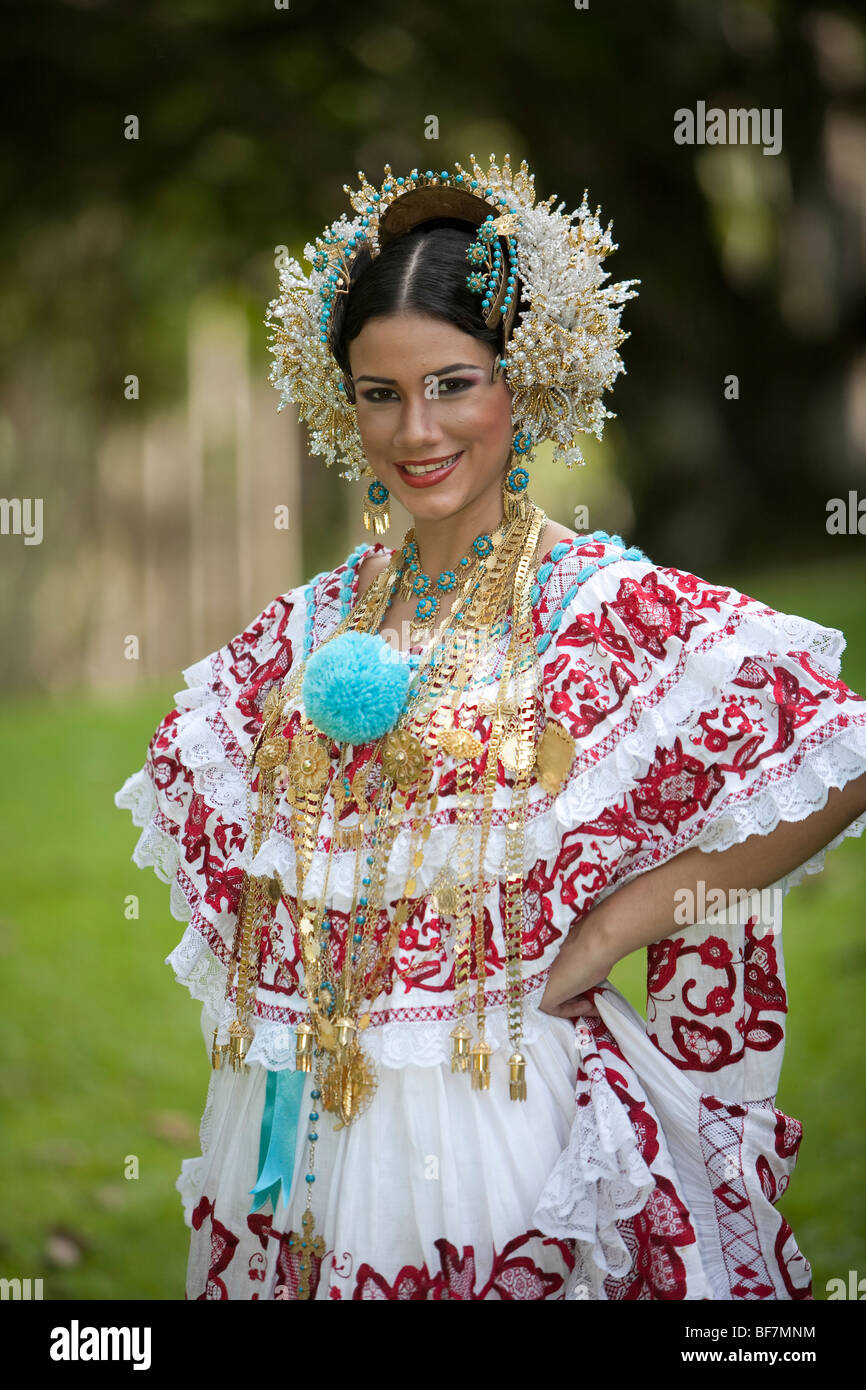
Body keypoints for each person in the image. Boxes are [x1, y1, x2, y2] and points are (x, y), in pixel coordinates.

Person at [115, 155, 866, 1301]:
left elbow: (832, 748)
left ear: (523, 384)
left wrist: (613, 924)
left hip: (498, 1122)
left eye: (453, 383)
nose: (415, 430)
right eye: (379, 393)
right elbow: (200, 810)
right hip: (290, 1134)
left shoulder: (598, 611)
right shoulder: (305, 628)